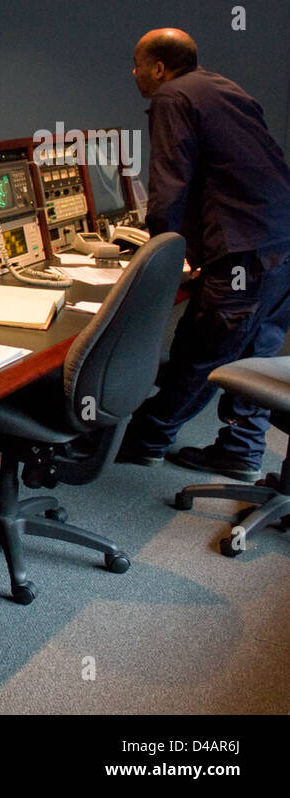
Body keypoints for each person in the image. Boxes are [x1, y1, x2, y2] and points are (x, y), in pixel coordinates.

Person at [117, 28, 290, 481]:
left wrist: (162, 254)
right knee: (258, 351)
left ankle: (146, 441)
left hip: (243, 250)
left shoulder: (172, 97)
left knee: (202, 349)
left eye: (138, 64)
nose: (133, 72)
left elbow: (170, 182)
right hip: (281, 241)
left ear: (159, 67)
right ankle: (241, 449)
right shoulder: (225, 88)